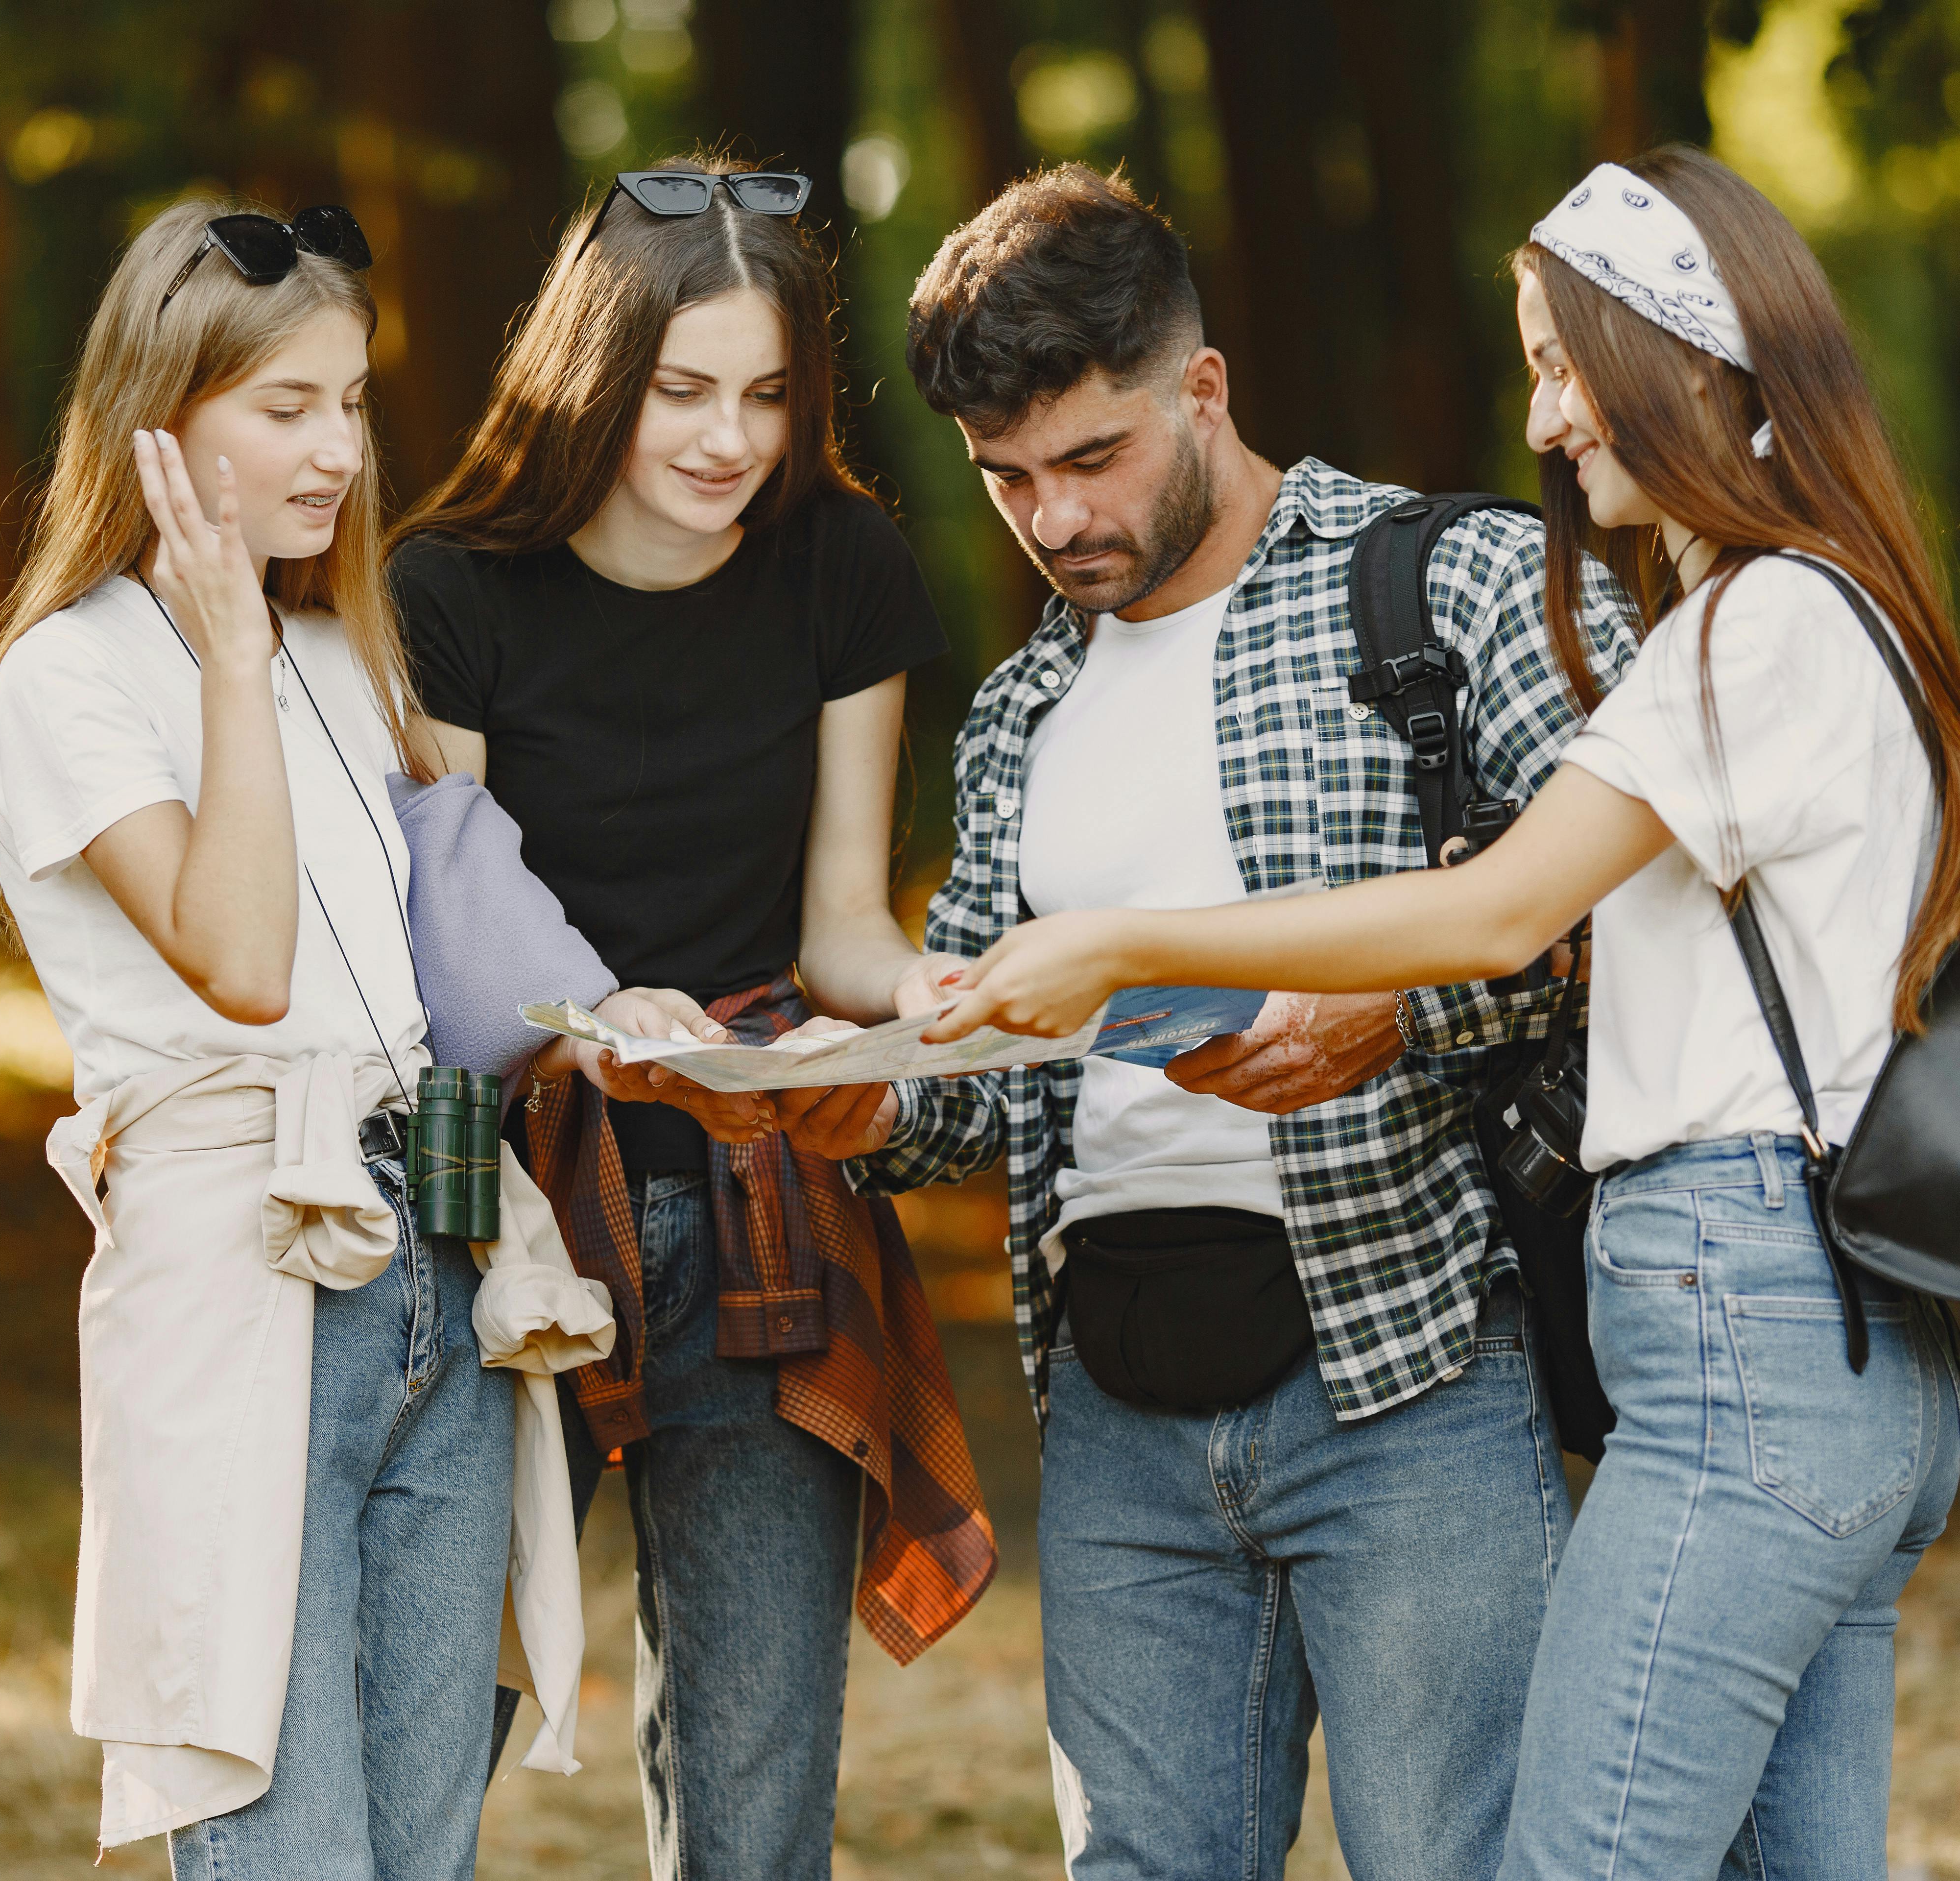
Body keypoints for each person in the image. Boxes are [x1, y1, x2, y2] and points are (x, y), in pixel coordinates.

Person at [925, 147, 1960, 1879]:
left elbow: (1507, 911)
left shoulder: (1751, 627)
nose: (1548, 420)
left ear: (1689, 362)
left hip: (1725, 1316)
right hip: (1810, 1328)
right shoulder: (1789, 613)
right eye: (1536, 371)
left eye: (1567, 366)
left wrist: (1126, 940)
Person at [778, 165, 1631, 1881]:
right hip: (1115, 1402)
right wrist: (854, 1102)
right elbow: (985, 1081)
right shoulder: (1019, 711)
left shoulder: (1452, 587)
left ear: (1205, 386)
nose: (1055, 519)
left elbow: (1670, 899)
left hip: (1409, 1370)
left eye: (1093, 458)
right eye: (1007, 479)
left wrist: (1399, 1015)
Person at [0, 197, 706, 1879]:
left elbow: (447, 949)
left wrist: (599, 1016)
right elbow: (236, 958)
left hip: (436, 1249)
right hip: (242, 1275)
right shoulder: (68, 682)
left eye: (352, 402)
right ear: (161, 421)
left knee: (426, 1838)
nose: (336, 451)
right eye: (284, 409)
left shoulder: (334, 651)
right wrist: (228, 658)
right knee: (291, 1841)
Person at [389, 153, 996, 1880]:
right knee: (432, 1734)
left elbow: (841, 933)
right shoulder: (452, 590)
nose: (730, 439)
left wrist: (926, 996)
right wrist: (587, 1010)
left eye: (769, 395)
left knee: (756, 1794)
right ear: (594, 375)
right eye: (683, 392)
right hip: (506, 1224)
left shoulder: (842, 567)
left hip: (755, 1213)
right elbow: (448, 940)